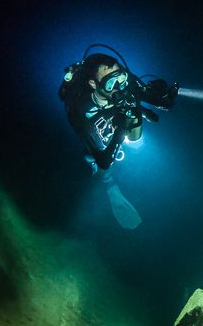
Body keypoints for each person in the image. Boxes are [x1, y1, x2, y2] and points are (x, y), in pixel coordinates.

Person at [58, 49, 178, 228]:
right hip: (95, 123)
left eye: (121, 77)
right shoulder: (80, 108)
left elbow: (164, 104)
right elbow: (104, 161)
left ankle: (131, 119)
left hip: (115, 113)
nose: (119, 86)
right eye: (110, 82)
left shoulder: (125, 82)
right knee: (92, 156)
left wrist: (167, 93)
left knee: (132, 116)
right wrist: (120, 130)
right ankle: (108, 183)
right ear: (93, 84)